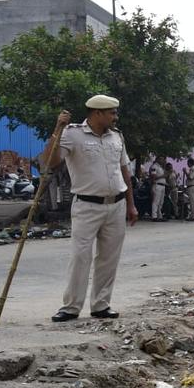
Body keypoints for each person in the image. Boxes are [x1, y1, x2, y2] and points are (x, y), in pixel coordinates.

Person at [41, 95, 137, 322]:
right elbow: (50, 161)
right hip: (86, 205)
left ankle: (101, 305)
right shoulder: (72, 134)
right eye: (112, 113)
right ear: (97, 113)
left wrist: (131, 204)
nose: (115, 117)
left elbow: (125, 171)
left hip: (116, 204)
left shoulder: (117, 137)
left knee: (109, 257)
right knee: (80, 256)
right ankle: (71, 307)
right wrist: (57, 128)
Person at [149, 155, 166, 221]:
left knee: (161, 202)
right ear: (157, 159)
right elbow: (153, 177)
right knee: (156, 201)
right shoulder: (154, 167)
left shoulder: (161, 167)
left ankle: (159, 215)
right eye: (161, 159)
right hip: (157, 185)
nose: (162, 161)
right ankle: (154, 216)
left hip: (162, 185)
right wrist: (162, 176)